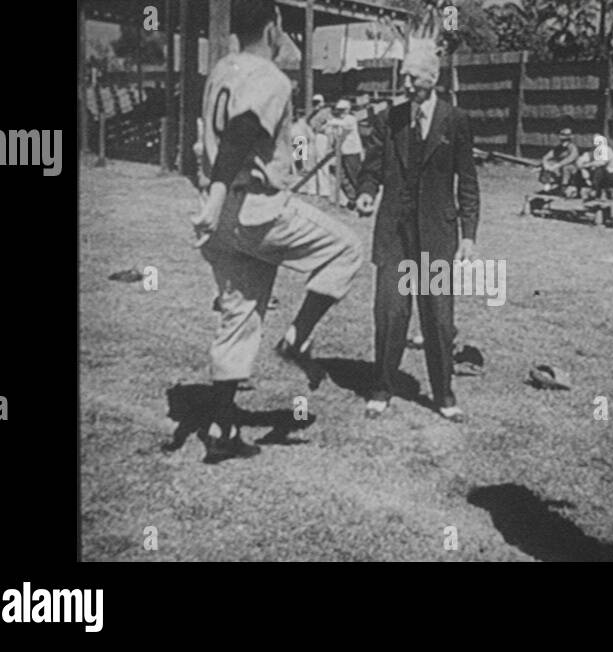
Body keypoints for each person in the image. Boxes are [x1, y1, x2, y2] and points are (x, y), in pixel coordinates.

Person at [191, 0, 364, 461]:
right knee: (347, 248)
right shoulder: (268, 75)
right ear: (274, 26)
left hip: (223, 217)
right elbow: (243, 131)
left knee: (240, 313)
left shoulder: (222, 69)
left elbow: (213, 136)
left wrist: (211, 195)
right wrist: (217, 194)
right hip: (253, 206)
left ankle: (221, 426)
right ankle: (299, 337)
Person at [355, 41, 480, 423]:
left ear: (433, 77)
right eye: (404, 75)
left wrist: (469, 235)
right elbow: (372, 167)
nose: (406, 83)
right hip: (395, 232)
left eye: (413, 76)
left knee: (438, 318)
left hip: (437, 235)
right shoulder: (389, 119)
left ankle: (443, 394)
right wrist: (365, 192)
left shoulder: (454, 119)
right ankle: (381, 388)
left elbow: (468, 181)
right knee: (390, 311)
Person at [325, 98, 364, 205]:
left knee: (354, 176)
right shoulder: (339, 121)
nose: (340, 112)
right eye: (339, 110)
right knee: (342, 176)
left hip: (352, 152)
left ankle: (360, 197)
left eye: (343, 110)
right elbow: (329, 130)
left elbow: (342, 124)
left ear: (348, 109)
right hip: (342, 152)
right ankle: (352, 197)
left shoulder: (350, 119)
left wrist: (329, 121)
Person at [575, 134, 613, 199]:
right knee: (579, 171)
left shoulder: (607, 150)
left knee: (599, 170)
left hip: (611, 175)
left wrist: (587, 165)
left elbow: (601, 163)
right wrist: (581, 168)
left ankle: (595, 191)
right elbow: (582, 159)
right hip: (598, 175)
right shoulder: (594, 151)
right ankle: (578, 193)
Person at [539, 127, 579, 193]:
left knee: (566, 167)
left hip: (572, 170)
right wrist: (546, 164)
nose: (564, 142)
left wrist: (557, 165)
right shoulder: (558, 148)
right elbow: (546, 157)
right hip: (559, 169)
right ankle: (547, 184)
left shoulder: (573, 148)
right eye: (562, 140)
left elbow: (570, 159)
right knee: (548, 164)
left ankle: (564, 186)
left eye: (566, 140)